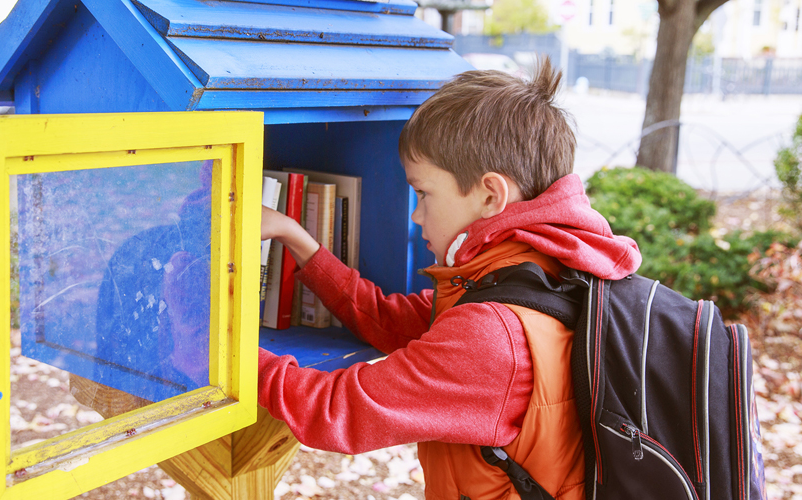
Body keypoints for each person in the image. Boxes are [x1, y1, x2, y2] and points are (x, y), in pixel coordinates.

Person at [257, 57, 642, 500]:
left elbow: (335, 409)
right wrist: (296, 237)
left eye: (423, 193)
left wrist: (217, 352)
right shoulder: (548, 268)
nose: (417, 214)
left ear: (489, 195)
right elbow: (387, 318)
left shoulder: (492, 335)